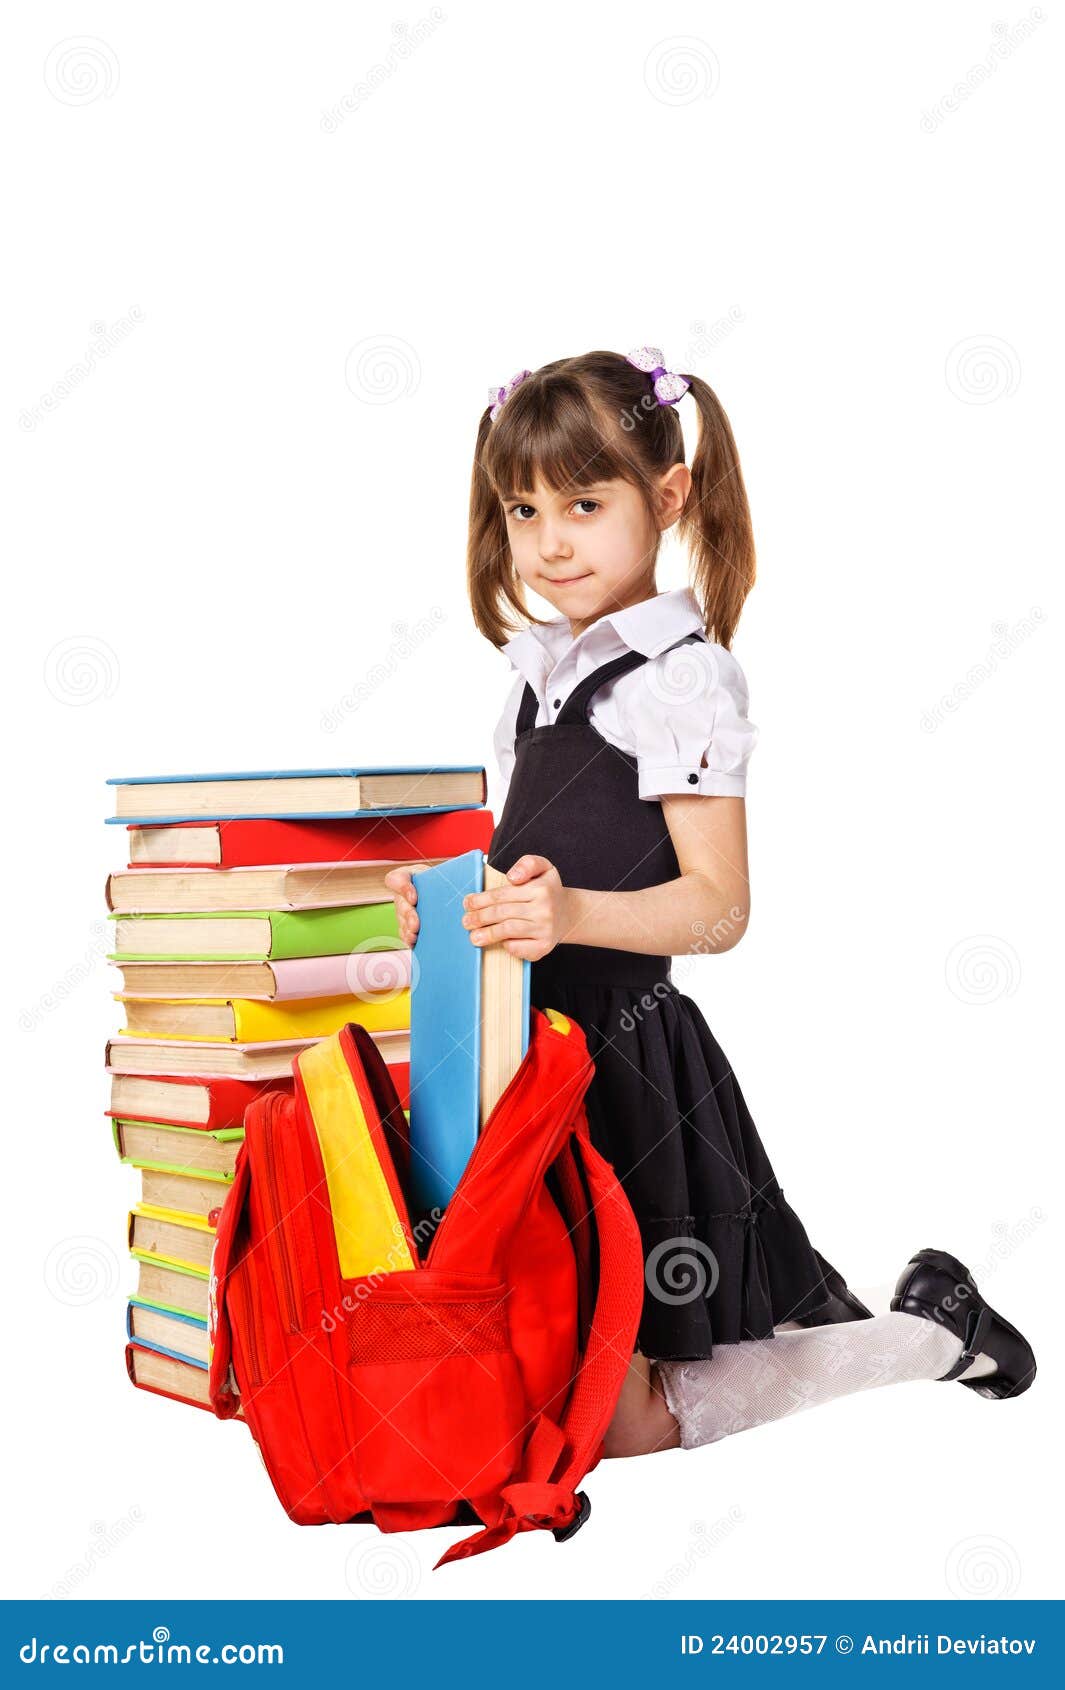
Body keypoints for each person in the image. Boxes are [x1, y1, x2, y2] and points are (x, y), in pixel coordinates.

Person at [385, 347, 1036, 1458]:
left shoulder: (681, 676)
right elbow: (542, 871)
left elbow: (719, 908)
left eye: (585, 503)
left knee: (629, 1413)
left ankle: (932, 1335)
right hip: (523, 1056)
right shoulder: (537, 675)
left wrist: (569, 917)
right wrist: (458, 908)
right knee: (539, 1365)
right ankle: (879, 1317)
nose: (549, 541)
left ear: (669, 494)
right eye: (524, 507)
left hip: (625, 1065)